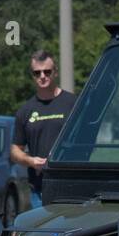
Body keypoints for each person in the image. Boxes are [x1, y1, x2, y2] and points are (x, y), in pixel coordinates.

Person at [10, 50, 75, 208]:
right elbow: (14, 151)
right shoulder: (25, 111)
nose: (42, 76)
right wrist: (31, 161)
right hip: (38, 190)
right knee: (43, 233)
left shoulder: (73, 103)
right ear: (32, 75)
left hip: (70, 188)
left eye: (47, 71)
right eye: (37, 73)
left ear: (55, 73)